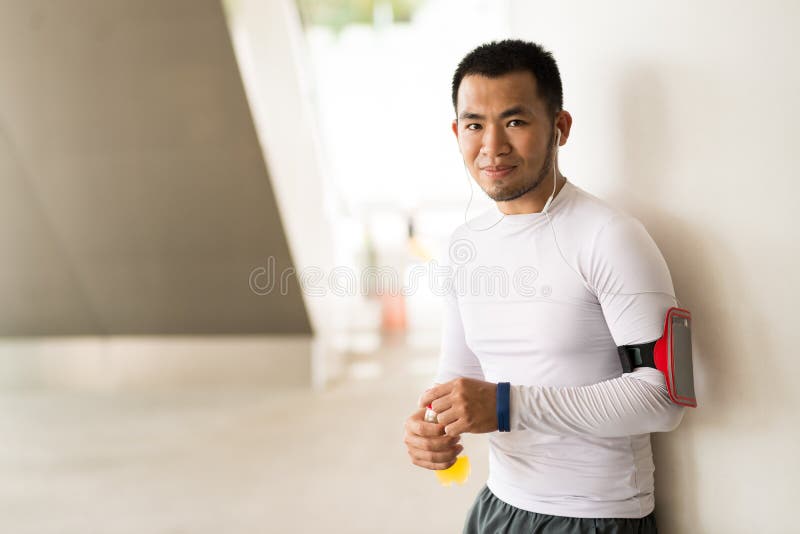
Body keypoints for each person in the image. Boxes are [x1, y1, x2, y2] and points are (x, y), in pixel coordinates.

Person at [403, 39, 686, 533]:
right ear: (456, 132)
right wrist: (431, 424)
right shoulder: (465, 244)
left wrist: (508, 405)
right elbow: (459, 373)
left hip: (593, 515)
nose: (492, 147)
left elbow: (663, 398)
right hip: (498, 504)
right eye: (474, 125)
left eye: (515, 121)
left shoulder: (610, 237)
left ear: (560, 127)